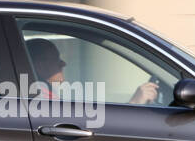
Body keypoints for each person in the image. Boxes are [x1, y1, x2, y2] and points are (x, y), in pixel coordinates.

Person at [26, 37, 159, 105]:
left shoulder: (40, 93)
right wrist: (134, 103)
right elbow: (79, 125)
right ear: (38, 65)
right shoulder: (40, 98)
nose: (63, 63)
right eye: (55, 59)